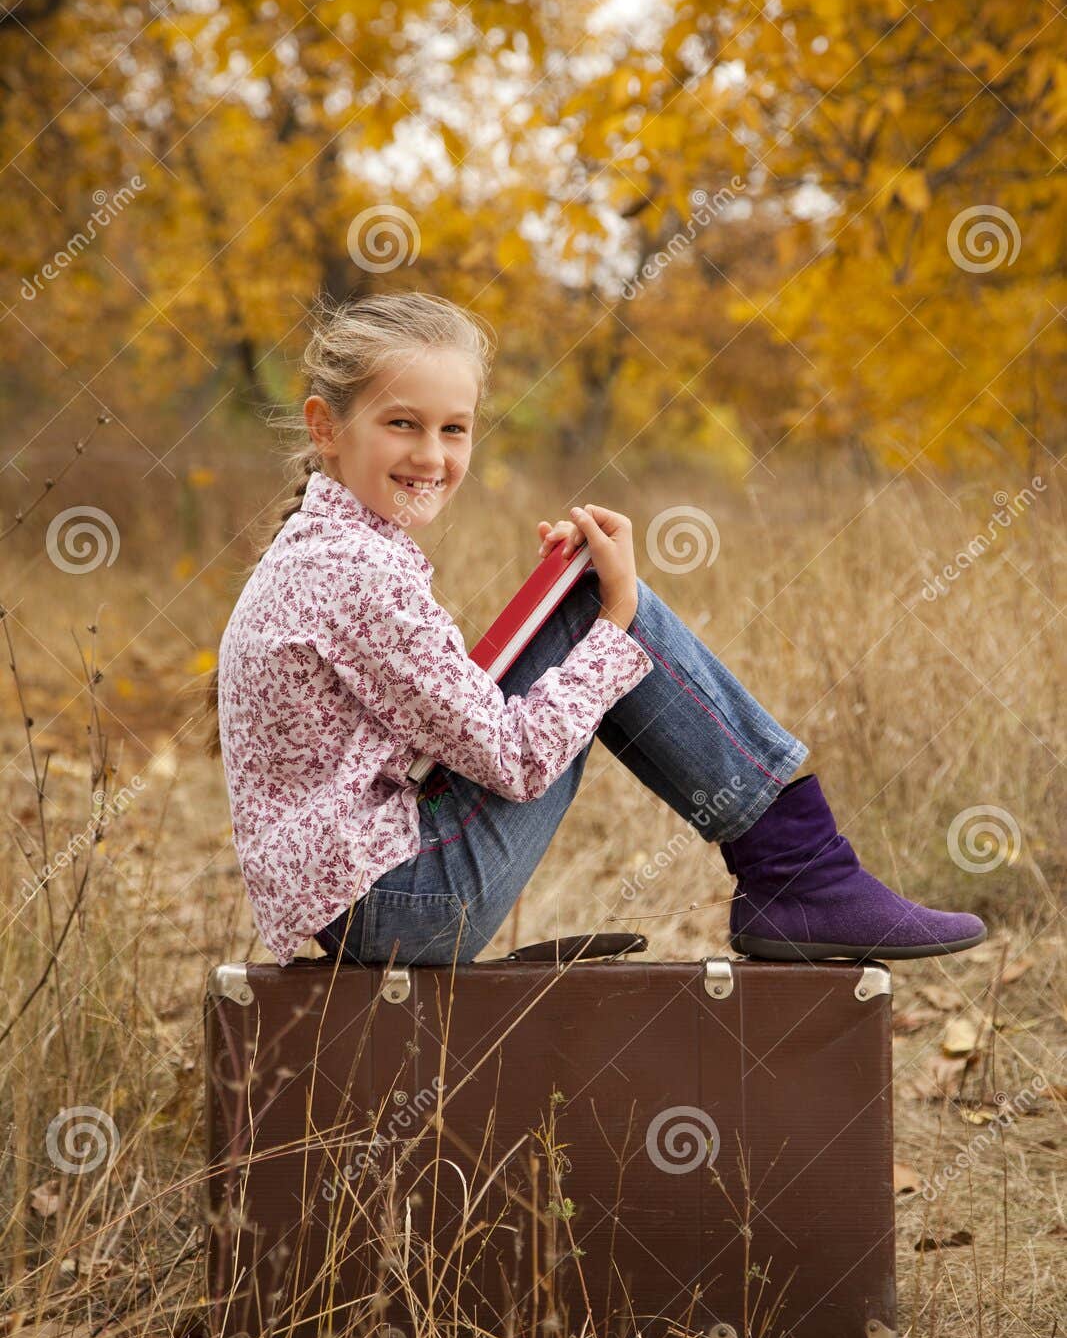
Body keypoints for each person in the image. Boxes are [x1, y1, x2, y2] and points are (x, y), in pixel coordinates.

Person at [207, 290, 986, 970]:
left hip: (370, 894)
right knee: (604, 609)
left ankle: (801, 872)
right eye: (402, 423)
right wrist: (610, 623)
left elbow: (449, 722)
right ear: (326, 426)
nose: (431, 456)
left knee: (581, 602)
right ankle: (803, 876)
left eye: (454, 429)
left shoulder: (330, 546)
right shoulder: (353, 571)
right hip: (406, 905)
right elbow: (514, 761)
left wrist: (553, 607)